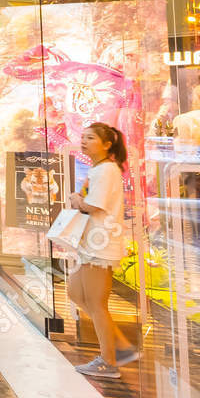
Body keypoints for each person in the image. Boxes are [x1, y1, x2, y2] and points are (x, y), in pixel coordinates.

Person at [66, 123, 136, 379]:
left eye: (91, 138)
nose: (84, 141)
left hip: (101, 244)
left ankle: (109, 360)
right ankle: (119, 347)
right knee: (75, 291)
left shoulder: (106, 170)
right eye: (83, 137)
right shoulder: (100, 169)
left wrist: (76, 200)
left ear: (107, 144)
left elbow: (92, 206)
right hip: (91, 243)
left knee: (96, 303)